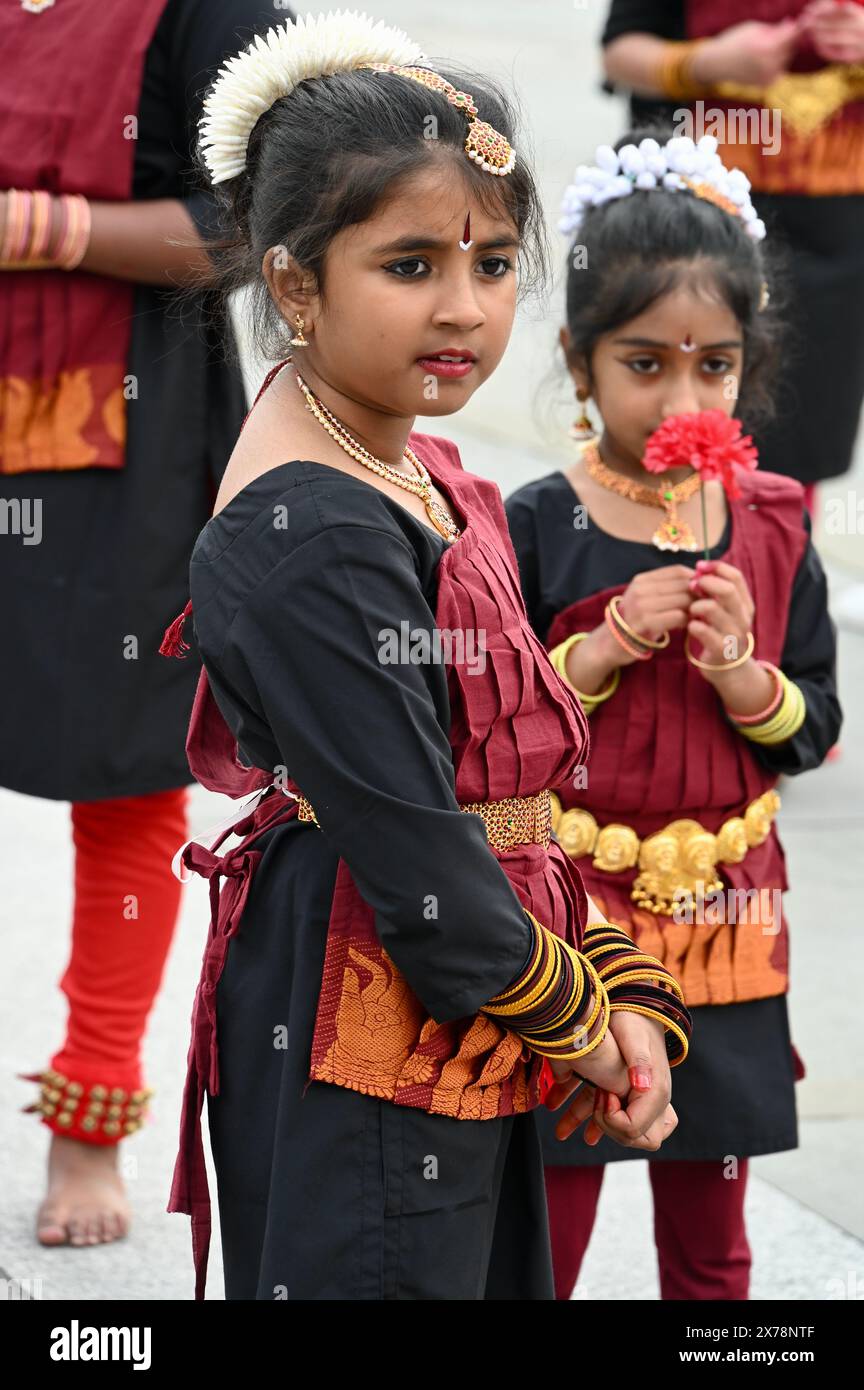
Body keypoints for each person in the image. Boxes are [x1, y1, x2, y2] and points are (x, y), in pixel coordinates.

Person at [158, 13, 693, 1301]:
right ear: (295, 284)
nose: (465, 308)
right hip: (377, 1017)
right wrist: (597, 1031)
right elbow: (426, 861)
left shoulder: (406, 462)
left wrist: (613, 987)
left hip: (466, 988)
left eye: (496, 261)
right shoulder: (310, 535)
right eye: (408, 265)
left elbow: (501, 800)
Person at [504, 130, 842, 1300]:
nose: (682, 396)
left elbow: (814, 722)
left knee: (713, 1214)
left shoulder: (777, 520)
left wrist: (745, 673)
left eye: (715, 365)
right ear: (578, 359)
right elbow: (492, 728)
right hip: (576, 913)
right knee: (557, 1191)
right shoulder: (539, 523)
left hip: (727, 914)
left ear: (750, 363)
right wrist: (599, 646)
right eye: (644, 364)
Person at [1, 0, 281, 1248]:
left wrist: (34, 226)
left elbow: (252, 225)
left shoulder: (204, 9)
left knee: (124, 777)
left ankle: (90, 1122)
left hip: (123, 445)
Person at [599, 0, 864, 517]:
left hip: (838, 233)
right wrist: (709, 63)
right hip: (695, 219)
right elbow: (620, 52)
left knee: (793, 451)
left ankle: (775, 575)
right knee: (670, 422)